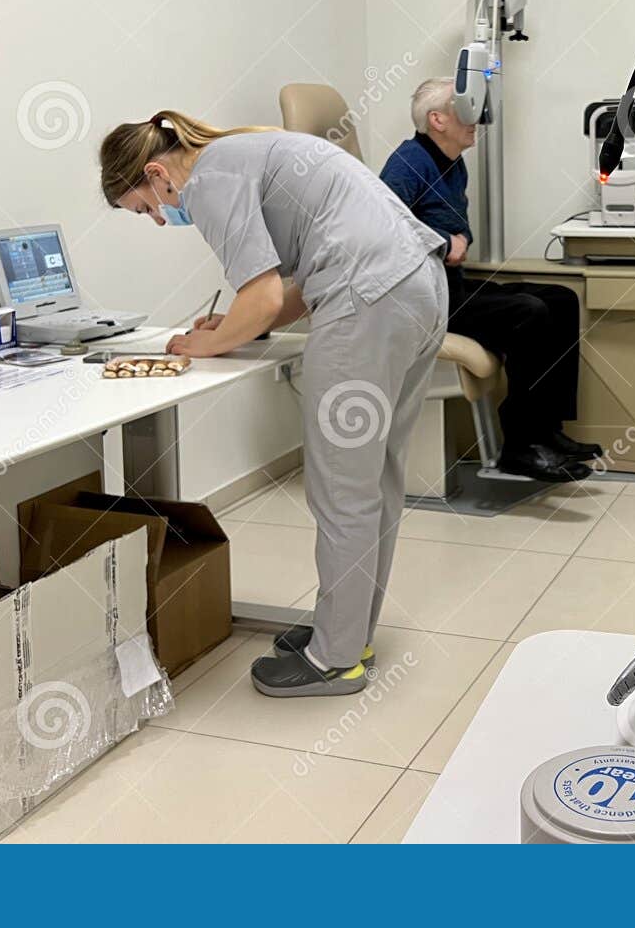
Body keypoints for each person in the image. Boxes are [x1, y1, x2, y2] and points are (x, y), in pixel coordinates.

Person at [100, 111, 448, 698]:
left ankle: (335, 660)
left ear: (157, 174)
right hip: (417, 287)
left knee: (340, 488)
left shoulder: (207, 179)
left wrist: (205, 343)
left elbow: (260, 297)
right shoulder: (244, 152)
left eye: (145, 208)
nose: (159, 219)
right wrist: (233, 327)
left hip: (366, 304)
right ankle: (348, 633)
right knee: (374, 478)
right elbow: (298, 286)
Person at [380, 78, 600, 484]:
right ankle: (520, 446)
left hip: (453, 288)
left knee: (561, 299)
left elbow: (457, 229)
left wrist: (458, 240)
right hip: (426, 302)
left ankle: (546, 431)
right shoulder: (408, 163)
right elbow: (381, 230)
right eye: (464, 110)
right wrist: (445, 242)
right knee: (529, 312)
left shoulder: (452, 163)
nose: (476, 120)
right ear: (437, 120)